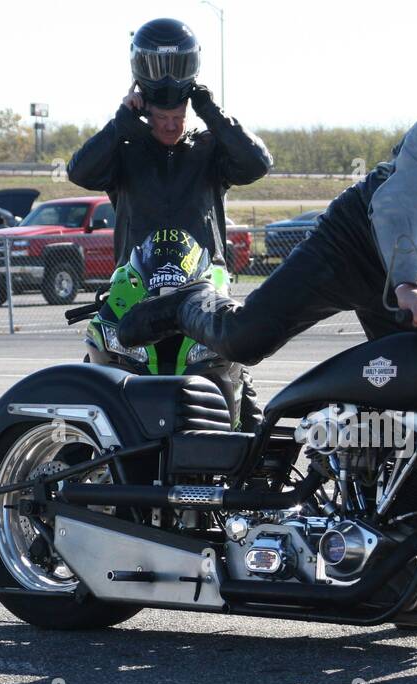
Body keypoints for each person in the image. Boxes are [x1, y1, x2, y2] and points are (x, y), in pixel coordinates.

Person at [118, 25, 417, 367]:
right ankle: (185, 301)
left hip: (413, 280)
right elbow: (399, 205)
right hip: (352, 248)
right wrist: (410, 283)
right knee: (244, 340)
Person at [68, 16, 271, 428]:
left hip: (203, 292)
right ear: (145, 111)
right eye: (161, 118)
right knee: (101, 381)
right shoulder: (125, 151)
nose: (170, 124)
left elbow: (257, 163)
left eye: (178, 115)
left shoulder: (211, 149)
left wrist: (210, 110)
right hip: (135, 291)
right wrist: (122, 121)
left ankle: (246, 466)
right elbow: (80, 171)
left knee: (242, 398)